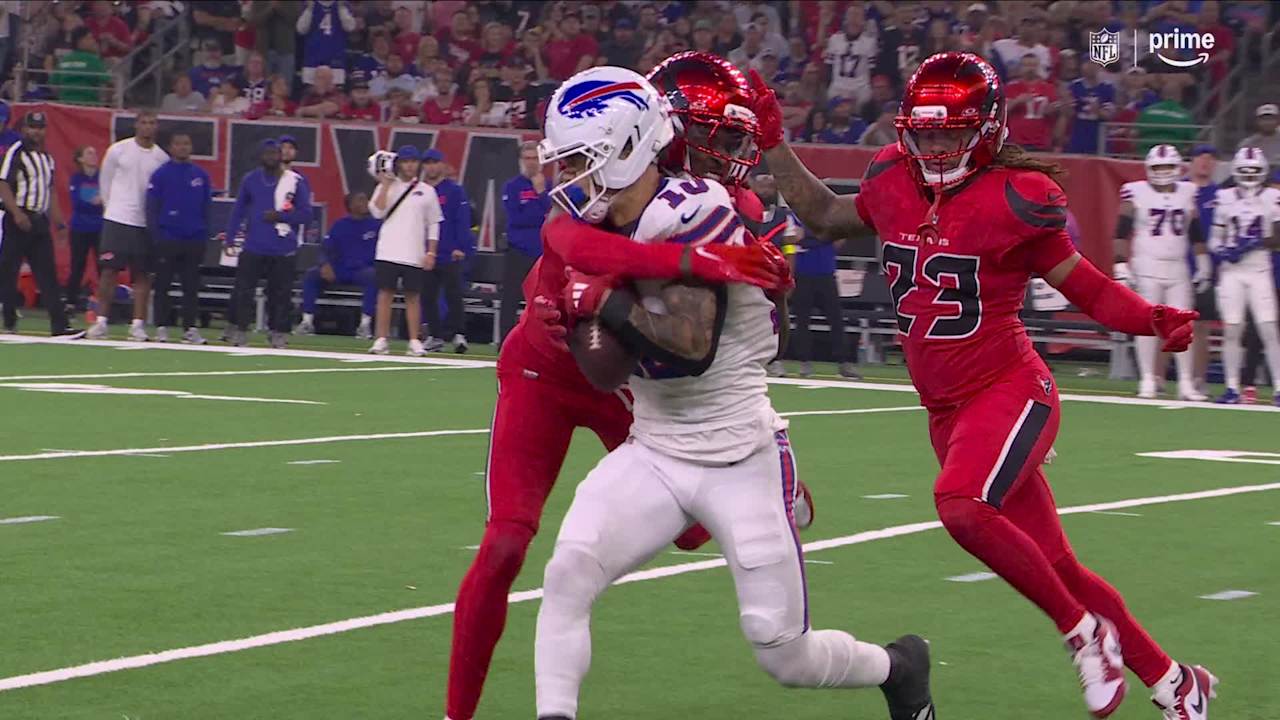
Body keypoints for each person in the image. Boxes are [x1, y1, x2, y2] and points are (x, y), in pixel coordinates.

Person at [749, 52, 1215, 718]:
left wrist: (1151, 318)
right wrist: (773, 142)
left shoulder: (1018, 197)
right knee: (1057, 566)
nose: (937, 145)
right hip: (946, 410)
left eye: (952, 130)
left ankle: (1084, 634)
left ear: (987, 128)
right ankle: (1177, 684)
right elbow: (824, 215)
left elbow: (1087, 288)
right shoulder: (891, 176)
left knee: (961, 504)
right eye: (927, 131)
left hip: (1010, 388)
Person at [532, 66, 933, 720]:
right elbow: (604, 371)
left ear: (629, 147)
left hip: (738, 454)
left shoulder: (695, 208)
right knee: (567, 574)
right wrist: (573, 322)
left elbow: (689, 346)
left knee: (784, 651)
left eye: (581, 158)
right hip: (654, 447)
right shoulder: (599, 216)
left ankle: (901, 667)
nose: (570, 174)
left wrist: (602, 305)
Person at [442, 62, 801, 720]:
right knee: (505, 544)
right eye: (709, 136)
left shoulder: (716, 205)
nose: (723, 156)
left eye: (732, 140)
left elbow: (732, 324)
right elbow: (565, 237)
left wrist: (748, 275)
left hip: (622, 375)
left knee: (693, 532)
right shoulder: (598, 187)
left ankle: (773, 475)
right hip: (545, 371)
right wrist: (692, 259)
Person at [1112, 145, 1211, 400]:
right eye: (1158, 167)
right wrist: (1120, 263)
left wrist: (1202, 260)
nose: (1163, 171)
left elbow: (1195, 230)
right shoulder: (1136, 191)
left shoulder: (1188, 191)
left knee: (1182, 325)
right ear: (1148, 168)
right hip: (1147, 264)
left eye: (1168, 166)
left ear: (1177, 167)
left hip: (1178, 266)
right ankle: (1147, 379)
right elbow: (1121, 230)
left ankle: (1186, 383)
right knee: (1149, 325)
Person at [757, 174, 860, 379]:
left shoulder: (827, 216)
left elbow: (837, 238)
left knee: (836, 319)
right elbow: (795, 239)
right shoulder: (792, 216)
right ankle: (804, 362)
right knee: (802, 320)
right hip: (802, 273)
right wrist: (820, 238)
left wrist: (812, 238)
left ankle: (844, 362)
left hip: (825, 271)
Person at [0, 112, 83, 338]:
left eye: (40, 127)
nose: (36, 132)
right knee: (9, 271)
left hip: (39, 220)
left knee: (48, 274)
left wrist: (59, 222)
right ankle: (9, 321)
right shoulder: (16, 152)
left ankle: (59, 325)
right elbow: (3, 184)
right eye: (32, 127)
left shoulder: (47, 157)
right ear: (24, 129)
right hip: (18, 218)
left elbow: (50, 191)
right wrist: (17, 213)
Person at [224, 138, 312, 347]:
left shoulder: (294, 181)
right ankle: (240, 329)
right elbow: (238, 210)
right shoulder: (251, 179)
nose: (271, 157)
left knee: (280, 293)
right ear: (260, 156)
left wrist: (281, 216)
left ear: (281, 156)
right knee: (244, 290)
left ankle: (278, 331)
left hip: (283, 247)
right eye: (267, 153)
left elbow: (306, 214)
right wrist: (230, 238)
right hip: (254, 245)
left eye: (275, 153)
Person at [89, 111, 169, 341]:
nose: (147, 127)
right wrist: (111, 209)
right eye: (144, 122)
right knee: (109, 272)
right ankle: (101, 322)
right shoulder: (118, 150)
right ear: (136, 125)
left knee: (142, 275)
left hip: (144, 224)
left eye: (152, 123)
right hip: (117, 219)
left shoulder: (161, 158)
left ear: (157, 127)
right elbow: (105, 181)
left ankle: (137, 325)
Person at [1209, 146, 1280, 405]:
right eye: (1245, 170)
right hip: (1232, 272)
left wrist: (1254, 243)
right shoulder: (1224, 196)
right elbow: (1214, 239)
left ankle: (1279, 388)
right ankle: (1231, 388)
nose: (1249, 175)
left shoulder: (1273, 196)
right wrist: (1224, 252)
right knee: (1232, 329)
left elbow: (1279, 236)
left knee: (1268, 329)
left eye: (1254, 170)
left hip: (1260, 270)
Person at [367, 146, 439, 355]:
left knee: (413, 296)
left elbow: (434, 223)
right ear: (398, 164)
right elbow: (377, 212)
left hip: (414, 252)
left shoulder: (427, 191)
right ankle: (381, 339)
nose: (410, 166)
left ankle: (414, 340)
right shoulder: (388, 185)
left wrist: (431, 252)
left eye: (413, 161)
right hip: (388, 250)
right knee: (385, 294)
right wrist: (384, 184)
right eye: (406, 161)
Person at [146, 132, 212, 344]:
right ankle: (161, 327)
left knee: (191, 286)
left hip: (194, 238)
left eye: (186, 144)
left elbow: (206, 207)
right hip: (168, 238)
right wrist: (156, 236)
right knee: (163, 285)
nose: (183, 147)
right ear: (171, 147)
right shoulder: (161, 174)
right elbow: (152, 207)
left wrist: (204, 233)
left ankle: (190, 328)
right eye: (178, 144)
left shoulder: (200, 175)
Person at [298, 191, 379, 338]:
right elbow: (325, 249)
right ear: (351, 205)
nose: (366, 203)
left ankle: (364, 325)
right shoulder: (340, 225)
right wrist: (324, 264)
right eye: (361, 200)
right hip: (339, 269)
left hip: (362, 270)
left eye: (366, 199)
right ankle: (307, 322)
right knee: (312, 274)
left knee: (374, 276)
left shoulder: (376, 225)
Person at [419, 148, 472, 352]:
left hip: (449, 250)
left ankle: (459, 334)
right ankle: (435, 335)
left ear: (442, 165)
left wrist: (460, 246)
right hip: (427, 252)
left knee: (453, 294)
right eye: (428, 163)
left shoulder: (454, 190)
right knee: (428, 296)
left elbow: (462, 219)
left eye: (435, 162)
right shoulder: (420, 190)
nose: (431, 167)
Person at [499, 141, 549, 344]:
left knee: (542, 300)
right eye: (527, 158)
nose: (531, 163)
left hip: (542, 252)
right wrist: (538, 213)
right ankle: (505, 342)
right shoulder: (512, 186)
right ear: (521, 161)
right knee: (509, 299)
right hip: (518, 250)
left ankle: (539, 342)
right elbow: (516, 219)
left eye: (535, 158)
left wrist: (541, 193)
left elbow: (552, 216)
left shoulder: (549, 186)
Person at [1184, 145, 1220, 395]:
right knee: (1169, 325)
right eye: (1200, 158)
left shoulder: (1220, 195)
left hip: (1207, 270)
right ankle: (1156, 377)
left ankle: (1198, 379)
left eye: (1210, 159)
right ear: (1191, 161)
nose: (1205, 163)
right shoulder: (1179, 189)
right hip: (1177, 265)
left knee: (1201, 328)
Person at [65, 144, 103, 312]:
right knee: (77, 266)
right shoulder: (76, 179)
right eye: (89, 153)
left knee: (103, 267)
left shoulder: (103, 178)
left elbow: (107, 201)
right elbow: (78, 203)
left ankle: (104, 304)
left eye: (94, 153)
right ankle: (70, 302)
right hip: (79, 228)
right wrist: (95, 201)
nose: (93, 156)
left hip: (100, 228)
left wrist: (95, 201)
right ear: (80, 159)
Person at [1005, 53, 1063, 152]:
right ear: (1020, 68)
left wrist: (1052, 109)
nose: (1030, 69)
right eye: (1027, 65)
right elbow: (1002, 110)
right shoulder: (1010, 88)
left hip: (1042, 142)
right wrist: (1017, 101)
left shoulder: (1049, 88)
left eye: (1033, 65)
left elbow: (1057, 111)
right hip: (1017, 141)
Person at [823, 6, 878, 106]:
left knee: (866, 98)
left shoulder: (870, 42)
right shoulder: (835, 39)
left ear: (864, 22)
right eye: (851, 15)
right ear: (845, 20)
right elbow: (829, 66)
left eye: (857, 15)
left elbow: (872, 69)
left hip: (860, 87)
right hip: (838, 86)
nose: (854, 19)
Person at [296, 0, 355, 86]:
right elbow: (301, 29)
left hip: (336, 60)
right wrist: (309, 9)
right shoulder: (309, 4)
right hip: (312, 61)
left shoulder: (343, 4)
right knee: (311, 91)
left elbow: (350, 27)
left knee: (335, 92)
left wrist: (341, 8)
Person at [1065, 60, 1116, 155]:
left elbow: (1108, 115)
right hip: (1079, 132)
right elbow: (1069, 113)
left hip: (1098, 132)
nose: (1091, 66)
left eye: (1094, 63)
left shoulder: (1107, 87)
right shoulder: (1074, 86)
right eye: (1087, 63)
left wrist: (1096, 109)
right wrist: (1066, 103)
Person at [52, 28, 108, 105]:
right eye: (89, 38)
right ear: (80, 42)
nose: (93, 41)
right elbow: (108, 81)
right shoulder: (92, 60)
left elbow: (53, 84)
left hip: (65, 105)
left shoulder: (64, 60)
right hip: (88, 105)